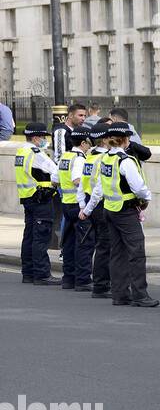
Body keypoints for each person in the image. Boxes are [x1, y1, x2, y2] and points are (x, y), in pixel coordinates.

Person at [83, 121, 157, 307]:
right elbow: (139, 188)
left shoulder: (106, 159)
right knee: (136, 253)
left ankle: (120, 294)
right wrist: (146, 198)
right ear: (125, 139)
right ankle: (140, 295)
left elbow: (99, 188)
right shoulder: (125, 161)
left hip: (110, 209)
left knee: (117, 254)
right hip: (126, 212)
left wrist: (88, 209)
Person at [15, 122, 59, 285]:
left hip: (27, 198)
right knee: (41, 237)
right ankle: (41, 274)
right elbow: (57, 172)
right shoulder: (36, 153)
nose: (44, 140)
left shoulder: (21, 152)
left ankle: (28, 273)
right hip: (41, 199)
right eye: (42, 137)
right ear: (34, 137)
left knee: (29, 236)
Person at [78, 122, 114, 297]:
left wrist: (84, 207)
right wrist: (88, 209)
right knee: (104, 246)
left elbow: (82, 185)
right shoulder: (103, 158)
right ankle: (101, 285)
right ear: (105, 140)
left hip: (91, 203)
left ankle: (103, 283)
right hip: (100, 205)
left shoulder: (90, 157)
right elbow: (99, 189)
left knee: (102, 245)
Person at [56, 128, 93, 290]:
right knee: (83, 243)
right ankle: (83, 279)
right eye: (89, 143)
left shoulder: (65, 156)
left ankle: (68, 277)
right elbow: (78, 180)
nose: (90, 146)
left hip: (66, 203)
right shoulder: (79, 159)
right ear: (83, 143)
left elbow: (54, 180)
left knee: (69, 242)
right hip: (78, 205)